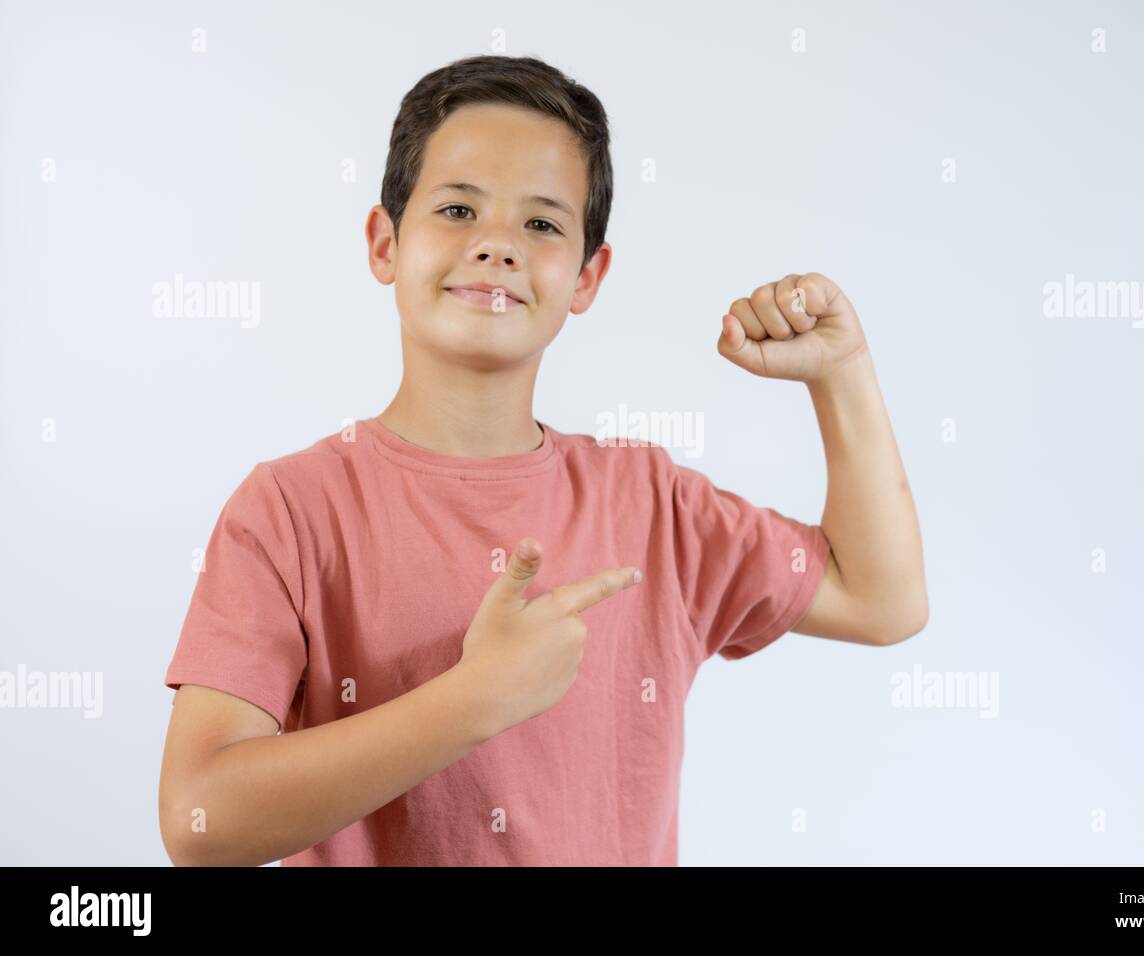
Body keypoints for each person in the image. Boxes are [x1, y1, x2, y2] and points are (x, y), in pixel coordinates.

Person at [158, 54, 928, 867]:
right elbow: (199, 818)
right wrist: (472, 701)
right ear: (385, 243)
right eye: (458, 208)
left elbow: (881, 600)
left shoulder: (651, 502)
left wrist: (841, 377)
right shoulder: (289, 509)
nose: (496, 246)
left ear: (588, 276)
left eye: (542, 224)